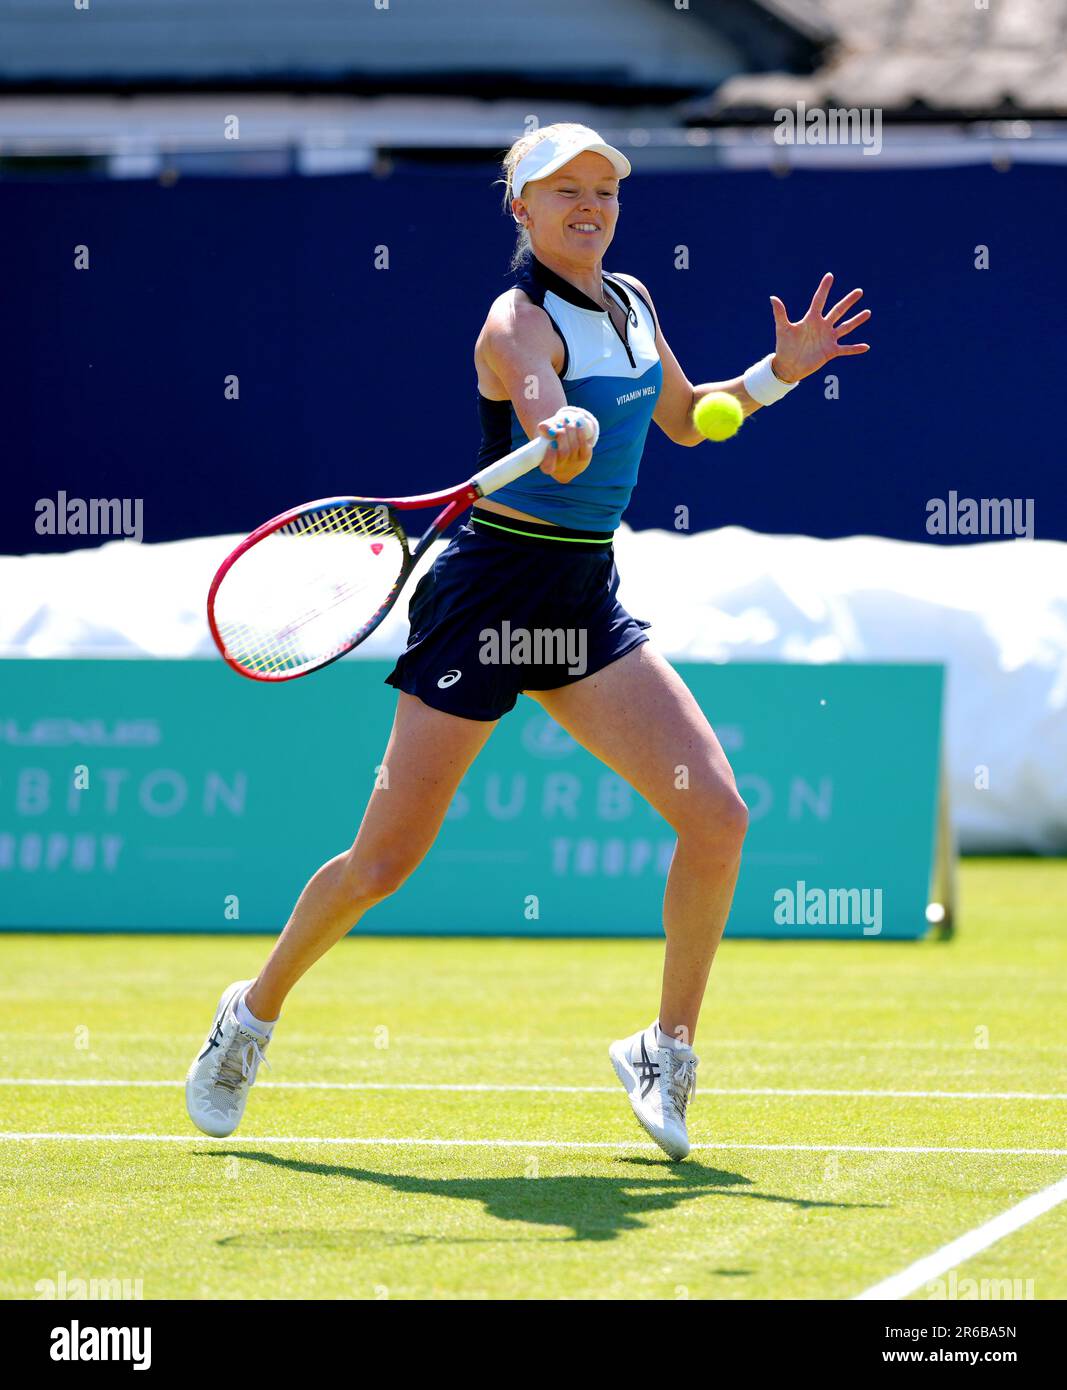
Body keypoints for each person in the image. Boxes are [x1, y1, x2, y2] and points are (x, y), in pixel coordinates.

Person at [186, 122, 871, 1160]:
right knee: (381, 863)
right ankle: (249, 1015)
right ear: (521, 209)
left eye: (603, 189)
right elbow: (545, 423)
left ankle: (663, 1049)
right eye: (564, 192)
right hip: (487, 599)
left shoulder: (635, 301)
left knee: (718, 815)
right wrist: (558, 427)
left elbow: (689, 418)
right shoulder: (515, 322)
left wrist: (771, 375)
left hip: (584, 598)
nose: (588, 206)